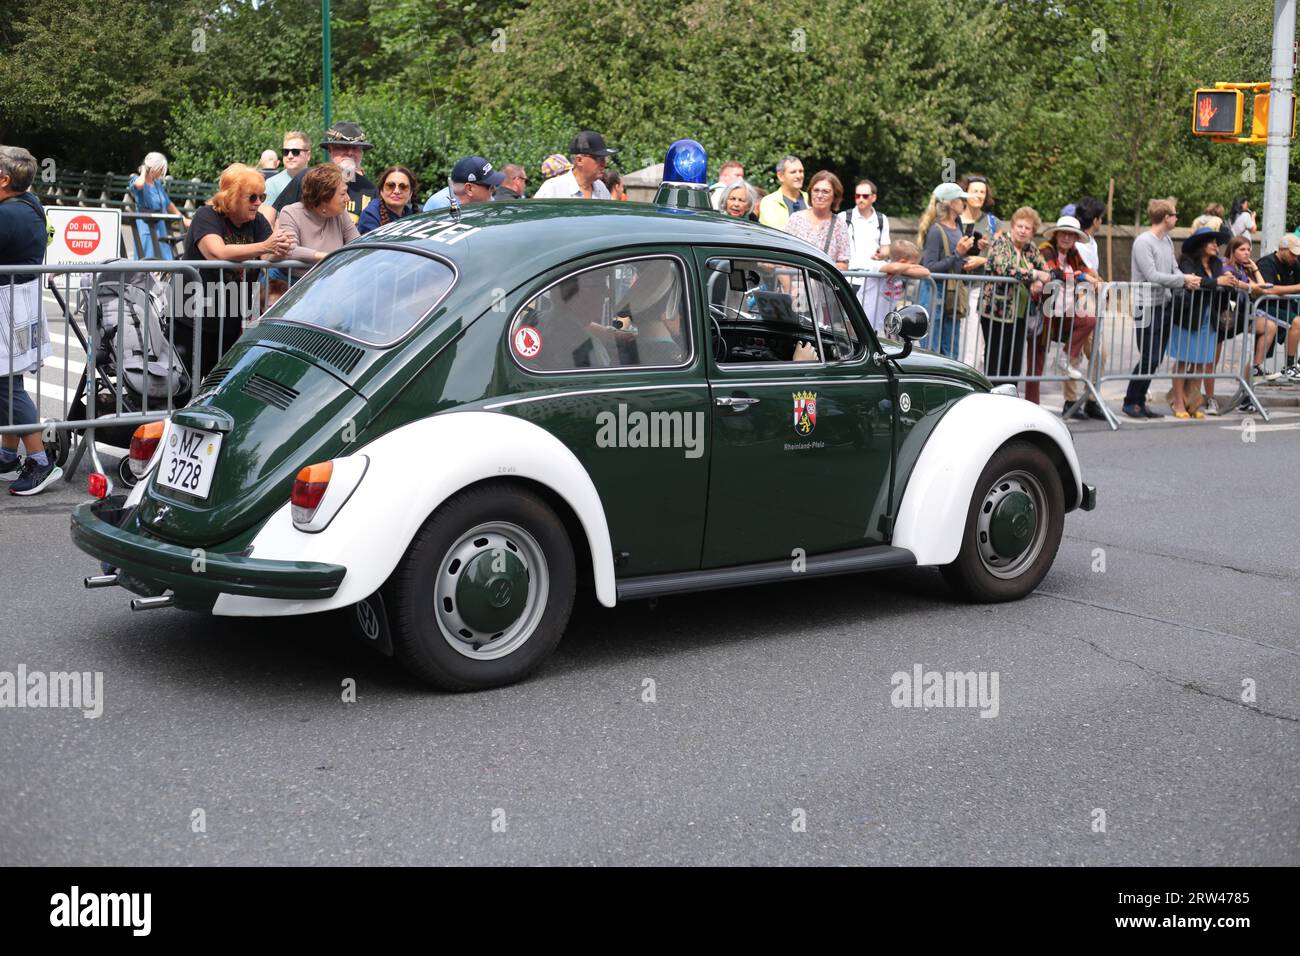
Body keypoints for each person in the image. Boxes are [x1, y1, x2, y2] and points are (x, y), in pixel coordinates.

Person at [181, 163, 294, 379]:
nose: (259, 203)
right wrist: (265, 246)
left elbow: (267, 255)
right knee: (187, 384)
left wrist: (282, 246)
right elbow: (217, 253)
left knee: (221, 381)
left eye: (262, 196)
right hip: (193, 315)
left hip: (232, 314)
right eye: (252, 197)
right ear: (232, 196)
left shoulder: (257, 220)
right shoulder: (206, 215)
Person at [0, 145, 61, 495]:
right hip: (18, 305)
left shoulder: (9, 215)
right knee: (10, 382)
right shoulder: (29, 203)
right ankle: (8, 452)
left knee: (5, 386)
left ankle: (40, 462)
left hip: (7, 308)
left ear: (5, 180)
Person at [1122, 197, 1201, 419]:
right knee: (1148, 355)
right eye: (1175, 215)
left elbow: (1174, 268)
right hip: (1145, 305)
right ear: (1166, 218)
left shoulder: (1166, 240)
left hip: (1164, 304)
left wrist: (1187, 279)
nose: (1177, 218)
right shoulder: (1143, 242)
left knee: (1156, 358)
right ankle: (1131, 401)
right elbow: (1152, 275)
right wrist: (1183, 280)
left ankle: (1139, 401)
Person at [1033, 215, 1103, 418]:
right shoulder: (1046, 249)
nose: (1066, 237)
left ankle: (1065, 360)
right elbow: (1053, 273)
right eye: (1063, 233)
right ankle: (1034, 406)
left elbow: (1084, 268)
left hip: (1069, 309)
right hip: (1046, 313)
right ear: (1056, 234)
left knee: (1090, 321)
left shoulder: (1073, 253)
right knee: (1035, 363)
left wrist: (1094, 277)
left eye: (1071, 234)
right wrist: (1083, 277)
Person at [980, 206, 1050, 386]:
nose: (1023, 231)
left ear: (1033, 232)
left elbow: (1047, 271)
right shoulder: (1001, 244)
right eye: (1020, 226)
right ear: (1012, 226)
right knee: (996, 359)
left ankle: (1010, 399)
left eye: (1028, 228)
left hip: (1020, 313)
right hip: (996, 311)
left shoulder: (1030, 248)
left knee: (1014, 361)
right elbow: (1006, 268)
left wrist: (1039, 281)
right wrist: (1034, 276)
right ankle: (991, 397)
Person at [1168, 227, 1233, 418]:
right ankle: (1178, 402)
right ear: (1201, 245)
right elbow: (1194, 281)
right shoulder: (1187, 261)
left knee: (1200, 362)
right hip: (1189, 317)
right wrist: (1217, 283)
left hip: (1209, 318)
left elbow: (1221, 284)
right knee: (1183, 360)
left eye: (1216, 242)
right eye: (1211, 242)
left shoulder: (1216, 264)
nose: (1216, 245)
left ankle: (1193, 402)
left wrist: (1229, 284)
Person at [918, 182, 987, 358]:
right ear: (950, 203)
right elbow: (930, 268)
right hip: (935, 295)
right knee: (931, 352)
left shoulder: (958, 225)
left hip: (952, 295)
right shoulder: (935, 230)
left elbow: (955, 260)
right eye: (961, 199)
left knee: (951, 352)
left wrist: (974, 249)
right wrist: (958, 254)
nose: (965, 202)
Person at [268, 121, 377, 228]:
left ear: (362, 152)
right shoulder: (307, 178)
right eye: (343, 147)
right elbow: (275, 217)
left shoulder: (370, 189)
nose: (349, 152)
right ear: (330, 149)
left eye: (355, 148)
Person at [1218, 234, 1275, 407]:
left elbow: (1263, 290)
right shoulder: (1224, 264)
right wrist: (1251, 287)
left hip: (1241, 316)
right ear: (1232, 251)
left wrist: (1255, 269)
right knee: (1209, 361)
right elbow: (1232, 281)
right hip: (1222, 316)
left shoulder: (1243, 269)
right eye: (1242, 249)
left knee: (1269, 327)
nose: (1247, 253)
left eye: (1249, 249)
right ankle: (1208, 397)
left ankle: (1255, 368)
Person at [273, 164, 361, 262]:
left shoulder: (341, 214)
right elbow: (289, 249)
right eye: (343, 193)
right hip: (296, 277)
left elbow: (358, 245)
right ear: (324, 197)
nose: (348, 198)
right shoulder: (291, 213)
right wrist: (326, 257)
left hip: (332, 276)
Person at [857, 239, 930, 333]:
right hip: (861, 316)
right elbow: (894, 267)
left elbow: (925, 272)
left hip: (877, 323)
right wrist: (909, 267)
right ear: (902, 261)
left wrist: (906, 267)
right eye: (913, 264)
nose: (915, 266)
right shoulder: (879, 265)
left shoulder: (902, 271)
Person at [128, 151, 190, 260]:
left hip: (160, 227)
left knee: (167, 259)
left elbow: (168, 203)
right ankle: (143, 277)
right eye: (160, 169)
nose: (161, 173)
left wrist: (183, 218)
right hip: (146, 227)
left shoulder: (157, 184)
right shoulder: (137, 180)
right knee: (146, 259)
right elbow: (139, 185)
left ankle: (174, 277)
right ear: (152, 167)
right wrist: (143, 171)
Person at [783, 171, 850, 269]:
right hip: (793, 282)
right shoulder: (796, 219)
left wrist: (822, 269)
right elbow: (783, 254)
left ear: (835, 196)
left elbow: (844, 264)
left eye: (825, 192)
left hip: (823, 283)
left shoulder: (839, 224)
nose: (819, 195)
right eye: (816, 190)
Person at [1256, 233, 1300, 382]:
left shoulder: (1294, 263)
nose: (1295, 258)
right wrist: (1297, 288)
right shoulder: (1266, 263)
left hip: (1284, 306)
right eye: (1293, 254)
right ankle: (1289, 366)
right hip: (1265, 306)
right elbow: (1268, 290)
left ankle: (1294, 364)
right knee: (1297, 322)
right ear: (1282, 249)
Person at [533, 131, 616, 199]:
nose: (604, 164)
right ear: (579, 160)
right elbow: (535, 217)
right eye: (599, 158)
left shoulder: (601, 188)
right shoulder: (553, 189)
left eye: (605, 159)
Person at [842, 179, 890, 289]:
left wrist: (881, 254)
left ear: (874, 197)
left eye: (865, 196)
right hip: (849, 277)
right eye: (857, 196)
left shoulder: (881, 219)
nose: (860, 199)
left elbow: (886, 247)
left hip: (873, 278)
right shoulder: (844, 217)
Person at [423, 156, 504, 211]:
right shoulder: (441, 207)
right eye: (490, 186)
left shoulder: (485, 200)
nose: (494, 189)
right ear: (469, 189)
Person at [358, 165, 419, 234]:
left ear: (410, 193)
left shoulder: (412, 215)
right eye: (390, 186)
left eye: (403, 187)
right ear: (381, 191)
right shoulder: (370, 215)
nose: (396, 191)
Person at [756, 155, 807, 229]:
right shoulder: (769, 202)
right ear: (780, 176)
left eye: (801, 171)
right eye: (793, 172)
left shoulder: (810, 199)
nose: (799, 176)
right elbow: (773, 233)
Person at [264, 131, 312, 207]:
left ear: (308, 155)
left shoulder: (319, 181)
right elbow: (266, 218)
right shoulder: (271, 184)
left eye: (295, 152)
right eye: (285, 152)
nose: (289, 156)